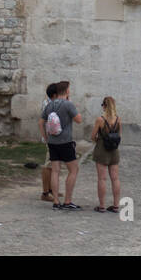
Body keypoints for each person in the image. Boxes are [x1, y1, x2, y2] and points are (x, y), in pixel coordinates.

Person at [39, 81, 83, 211]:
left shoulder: (49, 105)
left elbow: (41, 122)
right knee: (73, 170)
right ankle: (68, 201)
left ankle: (56, 202)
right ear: (67, 91)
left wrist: (46, 138)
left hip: (52, 143)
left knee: (55, 171)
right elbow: (79, 120)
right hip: (65, 142)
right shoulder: (68, 104)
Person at [90, 95, 122, 213]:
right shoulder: (118, 119)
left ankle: (102, 206)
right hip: (114, 150)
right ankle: (116, 205)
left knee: (102, 179)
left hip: (102, 149)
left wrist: (98, 139)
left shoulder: (100, 120)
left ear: (104, 106)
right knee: (115, 179)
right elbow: (120, 135)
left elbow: (93, 136)